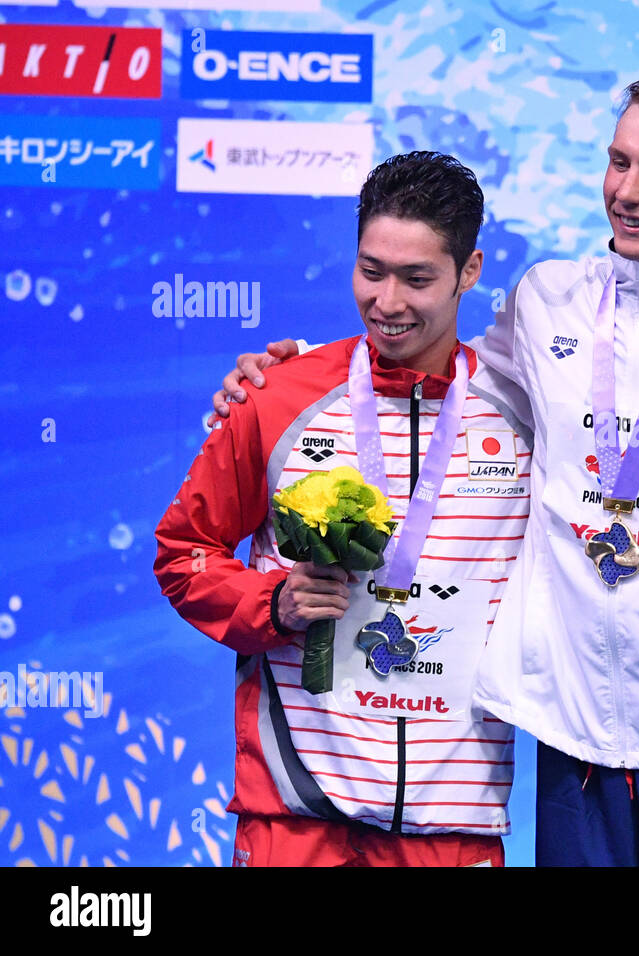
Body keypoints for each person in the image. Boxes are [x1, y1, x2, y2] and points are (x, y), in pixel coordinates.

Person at [209, 74, 639, 867]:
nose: (627, 192)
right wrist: (292, 375)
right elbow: (438, 371)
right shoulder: (547, 300)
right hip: (572, 735)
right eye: (617, 162)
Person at [156, 151, 532, 866]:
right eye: (371, 271)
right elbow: (184, 551)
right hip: (297, 818)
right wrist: (273, 603)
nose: (387, 302)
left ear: (470, 271)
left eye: (417, 279)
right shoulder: (278, 397)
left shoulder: (523, 411)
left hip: (452, 821)